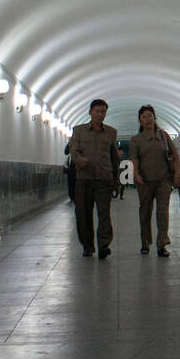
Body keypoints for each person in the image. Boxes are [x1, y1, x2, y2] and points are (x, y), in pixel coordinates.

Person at [128, 105, 180, 257]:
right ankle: (145, 242)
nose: (147, 119)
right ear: (140, 120)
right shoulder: (136, 140)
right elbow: (134, 158)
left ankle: (161, 244)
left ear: (154, 118)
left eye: (150, 116)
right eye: (144, 117)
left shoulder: (164, 135)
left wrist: (176, 175)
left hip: (164, 180)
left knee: (163, 212)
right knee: (145, 211)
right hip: (145, 181)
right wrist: (136, 174)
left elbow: (175, 156)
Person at [70, 99, 120, 258]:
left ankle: (104, 245)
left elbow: (114, 157)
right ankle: (88, 246)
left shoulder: (111, 132)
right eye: (97, 111)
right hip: (84, 178)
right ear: (90, 112)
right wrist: (79, 160)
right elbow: (74, 151)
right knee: (83, 214)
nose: (100, 114)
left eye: (103, 111)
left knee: (104, 213)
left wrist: (116, 180)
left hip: (104, 178)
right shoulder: (78, 131)